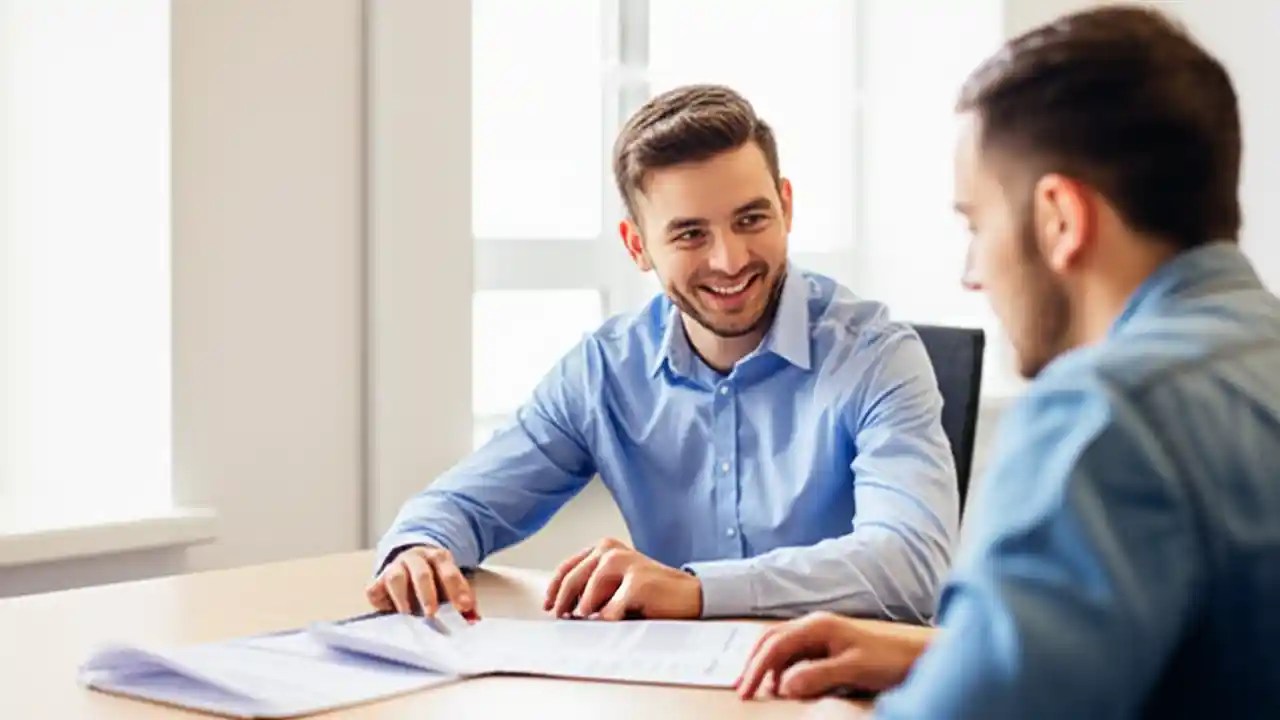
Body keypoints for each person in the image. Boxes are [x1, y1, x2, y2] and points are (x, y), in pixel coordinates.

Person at [736, 6, 1280, 718]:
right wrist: (952, 652)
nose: (972, 271)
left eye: (976, 223)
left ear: (1060, 219)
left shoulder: (1107, 414)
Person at [366, 85, 958, 625]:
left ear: (786, 207)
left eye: (751, 218)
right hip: (677, 689)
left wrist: (695, 591)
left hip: (847, 696)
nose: (730, 259)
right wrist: (418, 546)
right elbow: (464, 503)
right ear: (636, 245)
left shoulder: (878, 356)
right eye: (690, 234)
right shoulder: (605, 371)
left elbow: (909, 567)